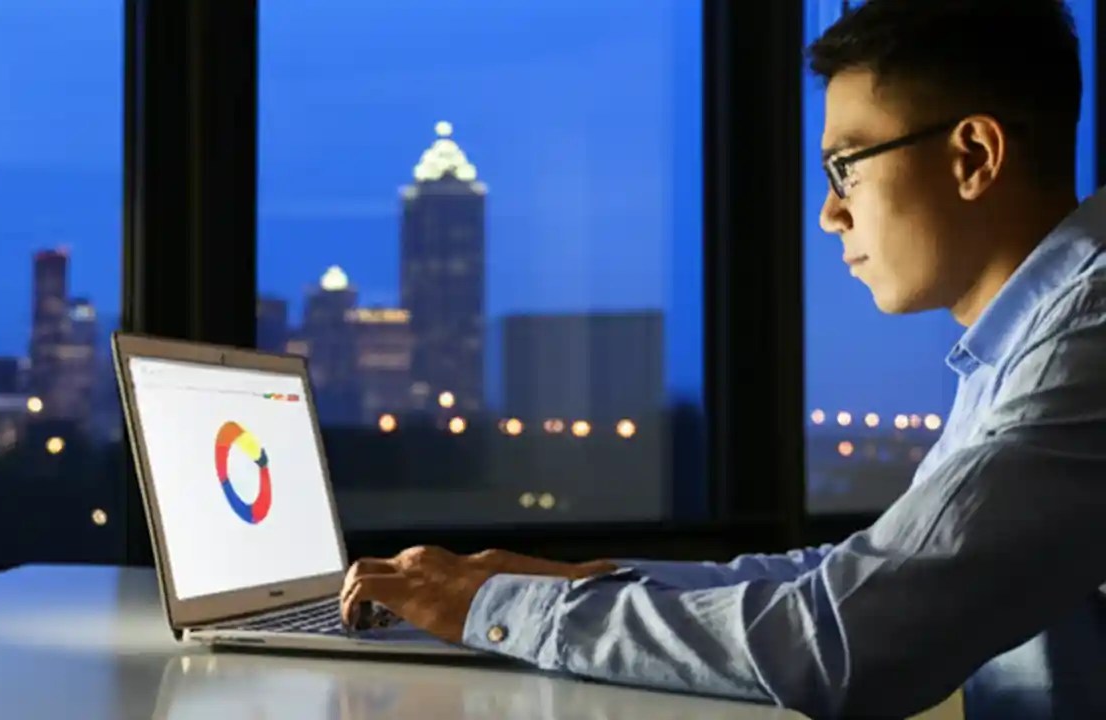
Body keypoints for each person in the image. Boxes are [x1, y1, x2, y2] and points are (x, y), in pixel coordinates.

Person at [339, 1, 1106, 717]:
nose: (830, 212)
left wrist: (495, 612)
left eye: (847, 166)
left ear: (973, 155)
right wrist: (582, 582)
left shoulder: (1087, 338)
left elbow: (843, 640)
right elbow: (851, 574)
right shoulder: (1027, 339)